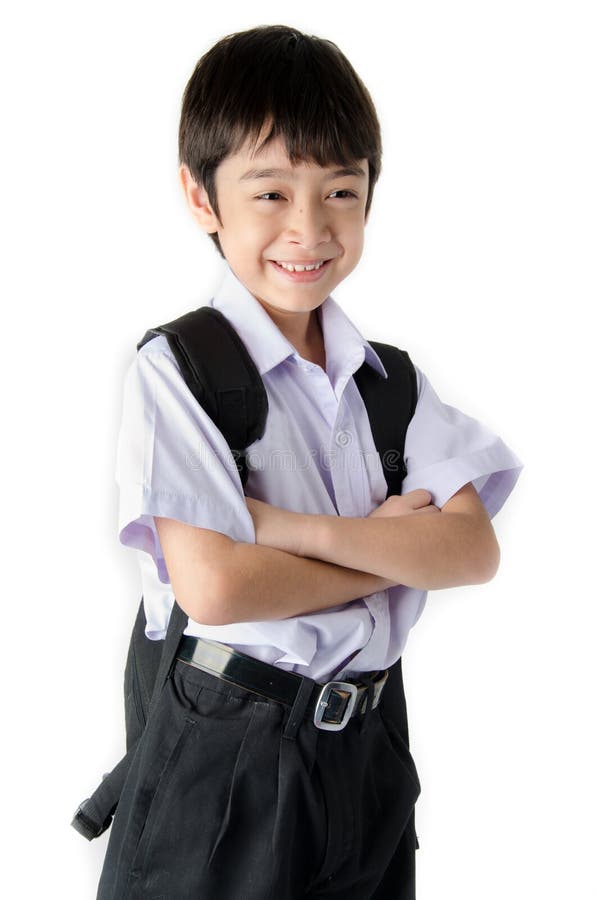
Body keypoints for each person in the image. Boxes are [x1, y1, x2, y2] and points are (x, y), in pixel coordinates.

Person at [96, 24, 523, 900]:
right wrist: (386, 555)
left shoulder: (389, 381)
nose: (309, 228)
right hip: (229, 765)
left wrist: (292, 533)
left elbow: (472, 553)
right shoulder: (179, 371)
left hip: (367, 756)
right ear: (200, 196)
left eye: (340, 191)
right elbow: (215, 587)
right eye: (270, 193)